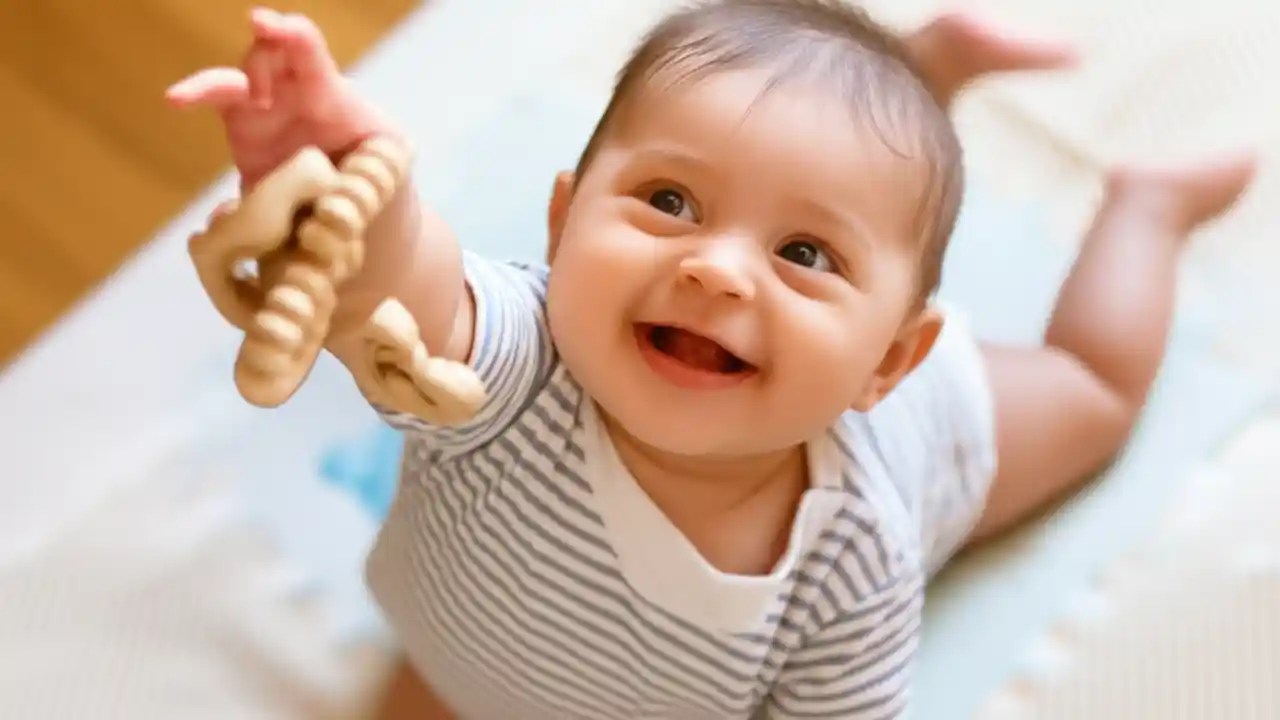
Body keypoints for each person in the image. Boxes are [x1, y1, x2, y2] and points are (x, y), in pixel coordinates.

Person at [168, 1, 1255, 717]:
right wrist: (351, 178)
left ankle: (1144, 212)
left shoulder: (850, 556)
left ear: (888, 356)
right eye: (668, 200)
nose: (717, 271)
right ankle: (913, 83)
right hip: (450, 666)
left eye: (801, 253)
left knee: (1095, 395)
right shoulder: (515, 371)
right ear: (560, 226)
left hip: (947, 437)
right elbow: (411, 286)